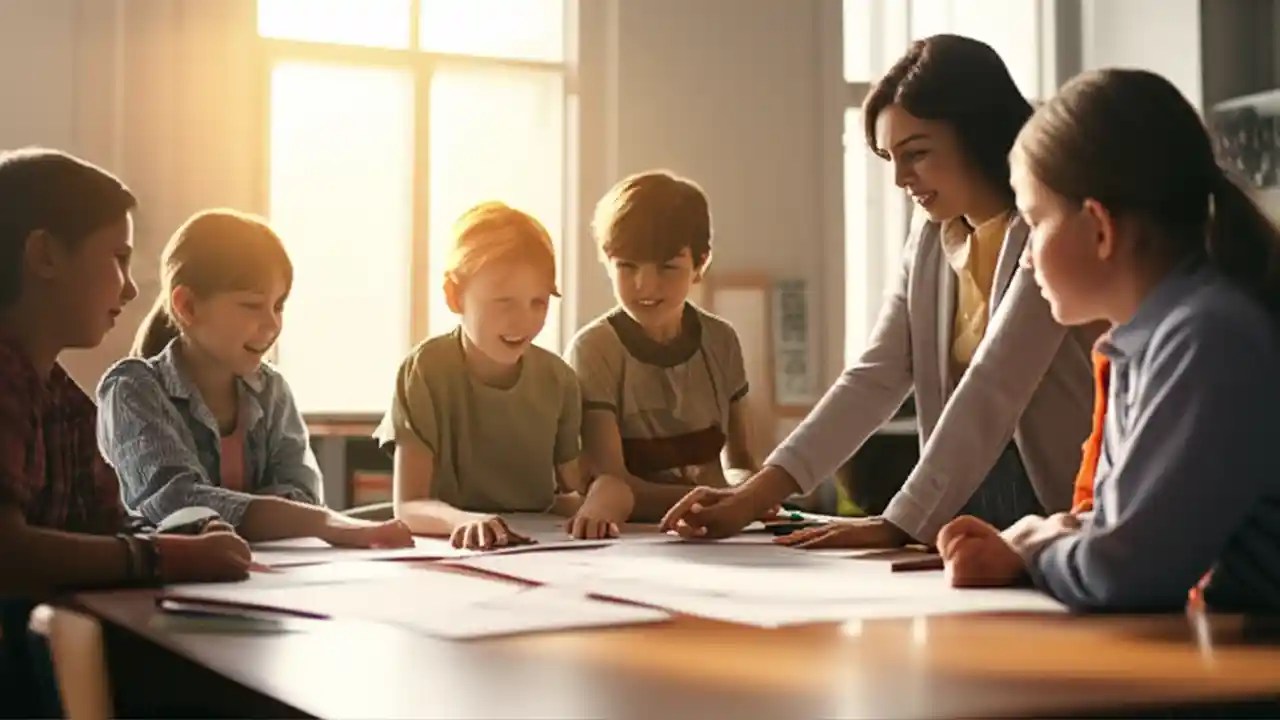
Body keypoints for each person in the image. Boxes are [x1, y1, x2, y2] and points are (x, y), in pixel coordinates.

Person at [662, 35, 1096, 546]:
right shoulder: (933, 234)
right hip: (965, 500)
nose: (899, 179)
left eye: (916, 154)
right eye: (890, 157)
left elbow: (993, 387)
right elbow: (876, 374)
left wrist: (897, 524)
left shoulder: (1046, 228)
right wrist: (754, 495)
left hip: (1058, 504)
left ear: (976, 134)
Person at [938, 68, 1280, 612]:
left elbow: (1125, 572)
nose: (1026, 256)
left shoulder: (1205, 338)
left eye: (1034, 222)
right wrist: (1047, 532)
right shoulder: (1155, 339)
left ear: (1099, 228)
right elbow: (1127, 526)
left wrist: (1032, 553)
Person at [98, 209, 412, 548]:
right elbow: (174, 505)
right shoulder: (132, 389)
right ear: (187, 306)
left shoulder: (272, 389)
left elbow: (303, 494)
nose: (273, 324)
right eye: (251, 305)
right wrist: (320, 523)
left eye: (278, 306)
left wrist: (299, 518)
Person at [377, 202, 633, 549]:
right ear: (454, 296)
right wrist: (467, 521)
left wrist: (600, 505)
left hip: (533, 547)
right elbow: (408, 505)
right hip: (449, 548)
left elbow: (587, 484)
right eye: (503, 302)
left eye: (538, 302)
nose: (523, 321)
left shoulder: (559, 380)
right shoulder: (423, 372)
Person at [566, 171, 758, 522]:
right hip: (631, 537)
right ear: (606, 263)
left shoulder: (722, 341)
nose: (645, 286)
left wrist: (749, 492)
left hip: (716, 533)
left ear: (700, 265)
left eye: (667, 268)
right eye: (626, 266)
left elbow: (741, 461)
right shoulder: (594, 350)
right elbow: (613, 484)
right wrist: (729, 500)